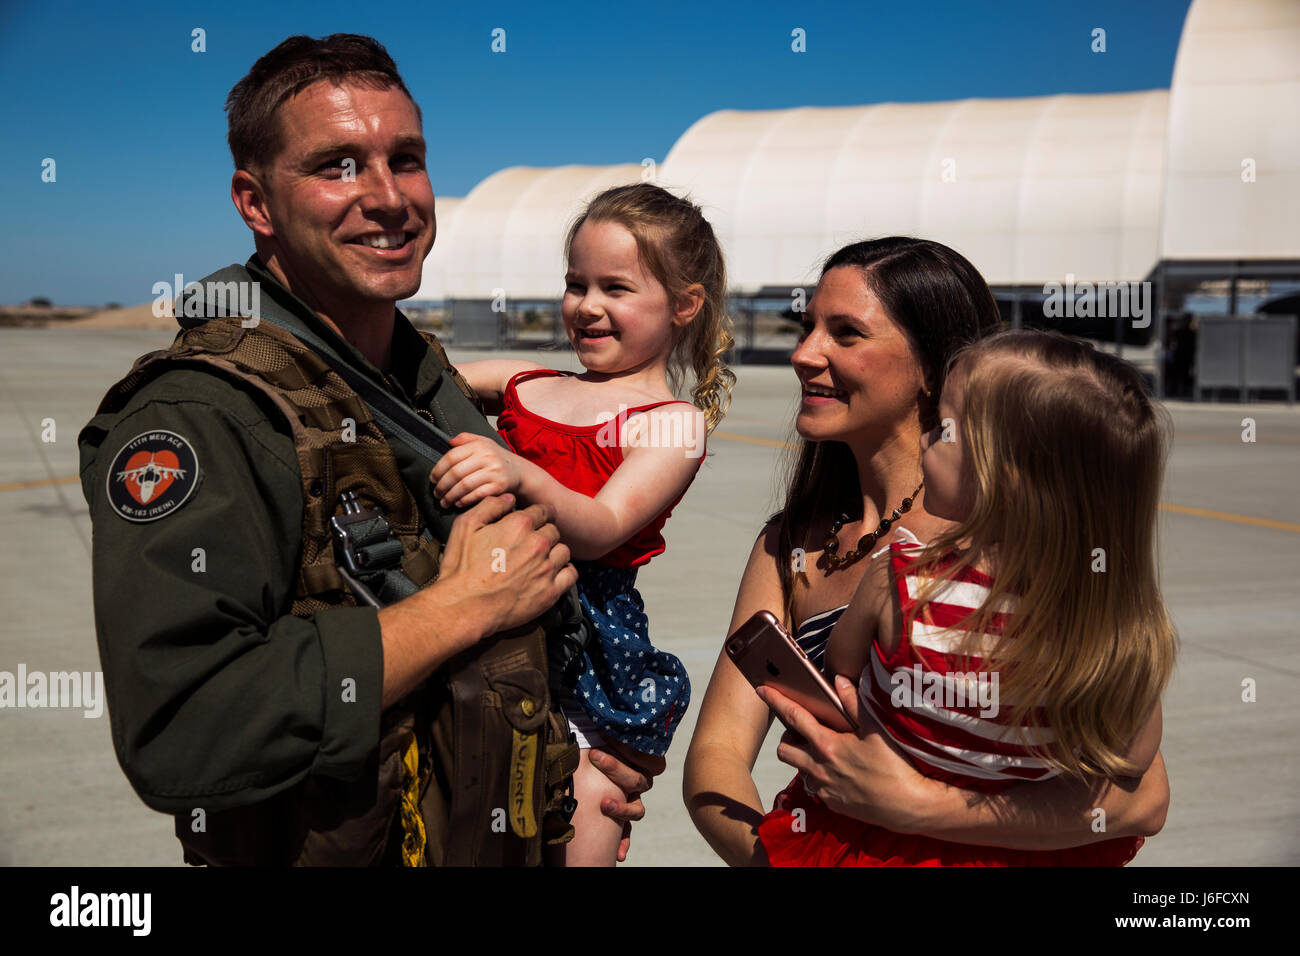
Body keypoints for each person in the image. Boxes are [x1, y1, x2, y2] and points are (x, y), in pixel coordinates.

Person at [77, 33, 652, 866]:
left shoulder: (418, 378)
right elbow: (184, 726)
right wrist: (460, 607)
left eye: (405, 159)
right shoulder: (203, 414)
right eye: (337, 165)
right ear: (257, 202)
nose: (387, 197)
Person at [684, 237, 1173, 865]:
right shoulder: (789, 542)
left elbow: (1140, 797)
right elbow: (714, 760)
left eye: (846, 333)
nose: (805, 354)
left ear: (929, 365)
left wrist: (916, 805)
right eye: (808, 328)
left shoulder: (1005, 546)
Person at [432, 183, 735, 865]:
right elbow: (422, 378)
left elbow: (602, 525)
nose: (588, 306)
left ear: (684, 306)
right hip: (487, 593)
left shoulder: (672, 424)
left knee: (592, 781)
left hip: (588, 629)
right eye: (576, 284)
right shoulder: (527, 381)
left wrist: (521, 475)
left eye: (616, 288)